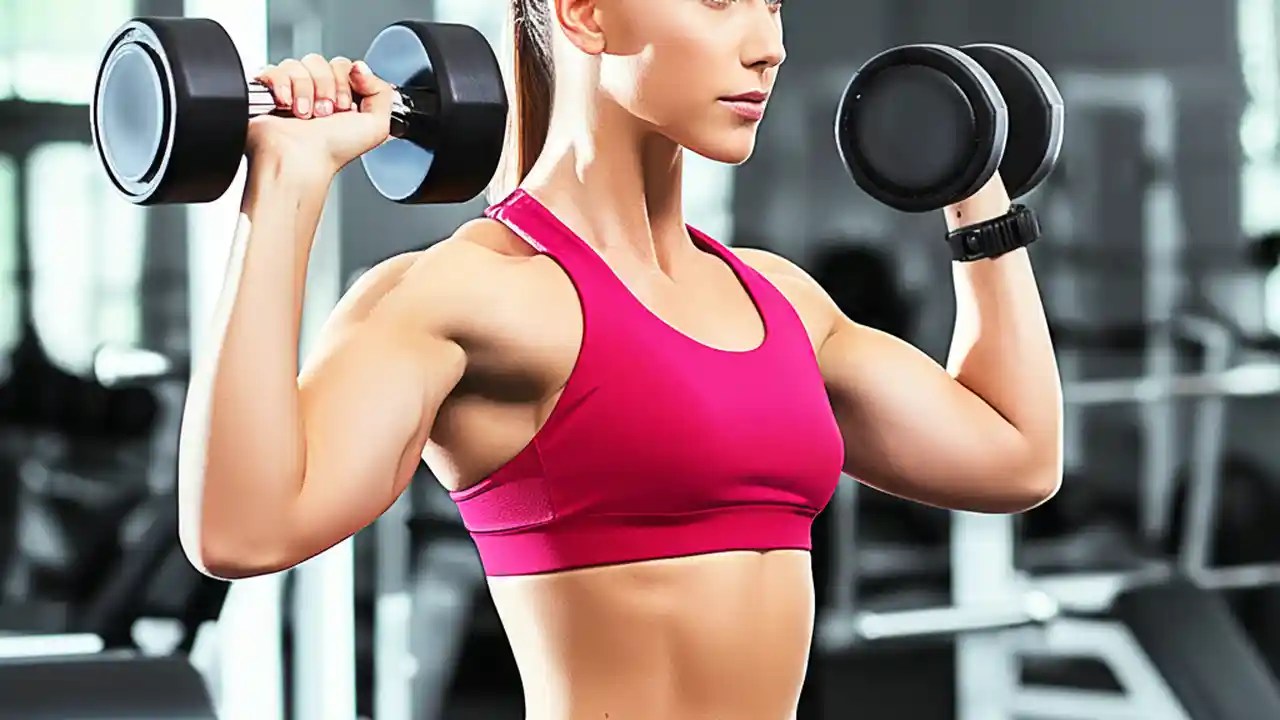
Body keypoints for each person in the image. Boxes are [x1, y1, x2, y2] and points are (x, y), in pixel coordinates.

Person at [176, 1, 1065, 718]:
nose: (768, 47)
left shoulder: (779, 300)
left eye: (772, 3)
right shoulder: (469, 293)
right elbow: (241, 532)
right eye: (721, 2)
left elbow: (1016, 456)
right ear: (586, 15)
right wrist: (287, 187)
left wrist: (974, 189)